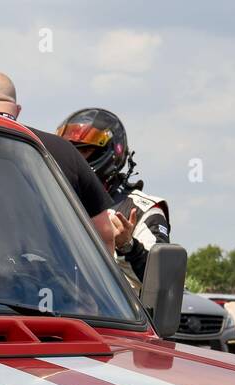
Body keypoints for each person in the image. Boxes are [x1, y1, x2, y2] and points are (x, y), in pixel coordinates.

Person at [0, 72, 136, 259]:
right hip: (43, 283)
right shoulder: (62, 150)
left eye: (86, 149)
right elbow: (104, 235)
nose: (81, 153)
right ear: (17, 110)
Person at [56, 107, 170, 282]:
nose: (74, 157)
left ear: (112, 152)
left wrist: (128, 246)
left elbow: (162, 280)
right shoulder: (51, 199)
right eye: (68, 150)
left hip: (117, 309)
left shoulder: (142, 209)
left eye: (84, 150)